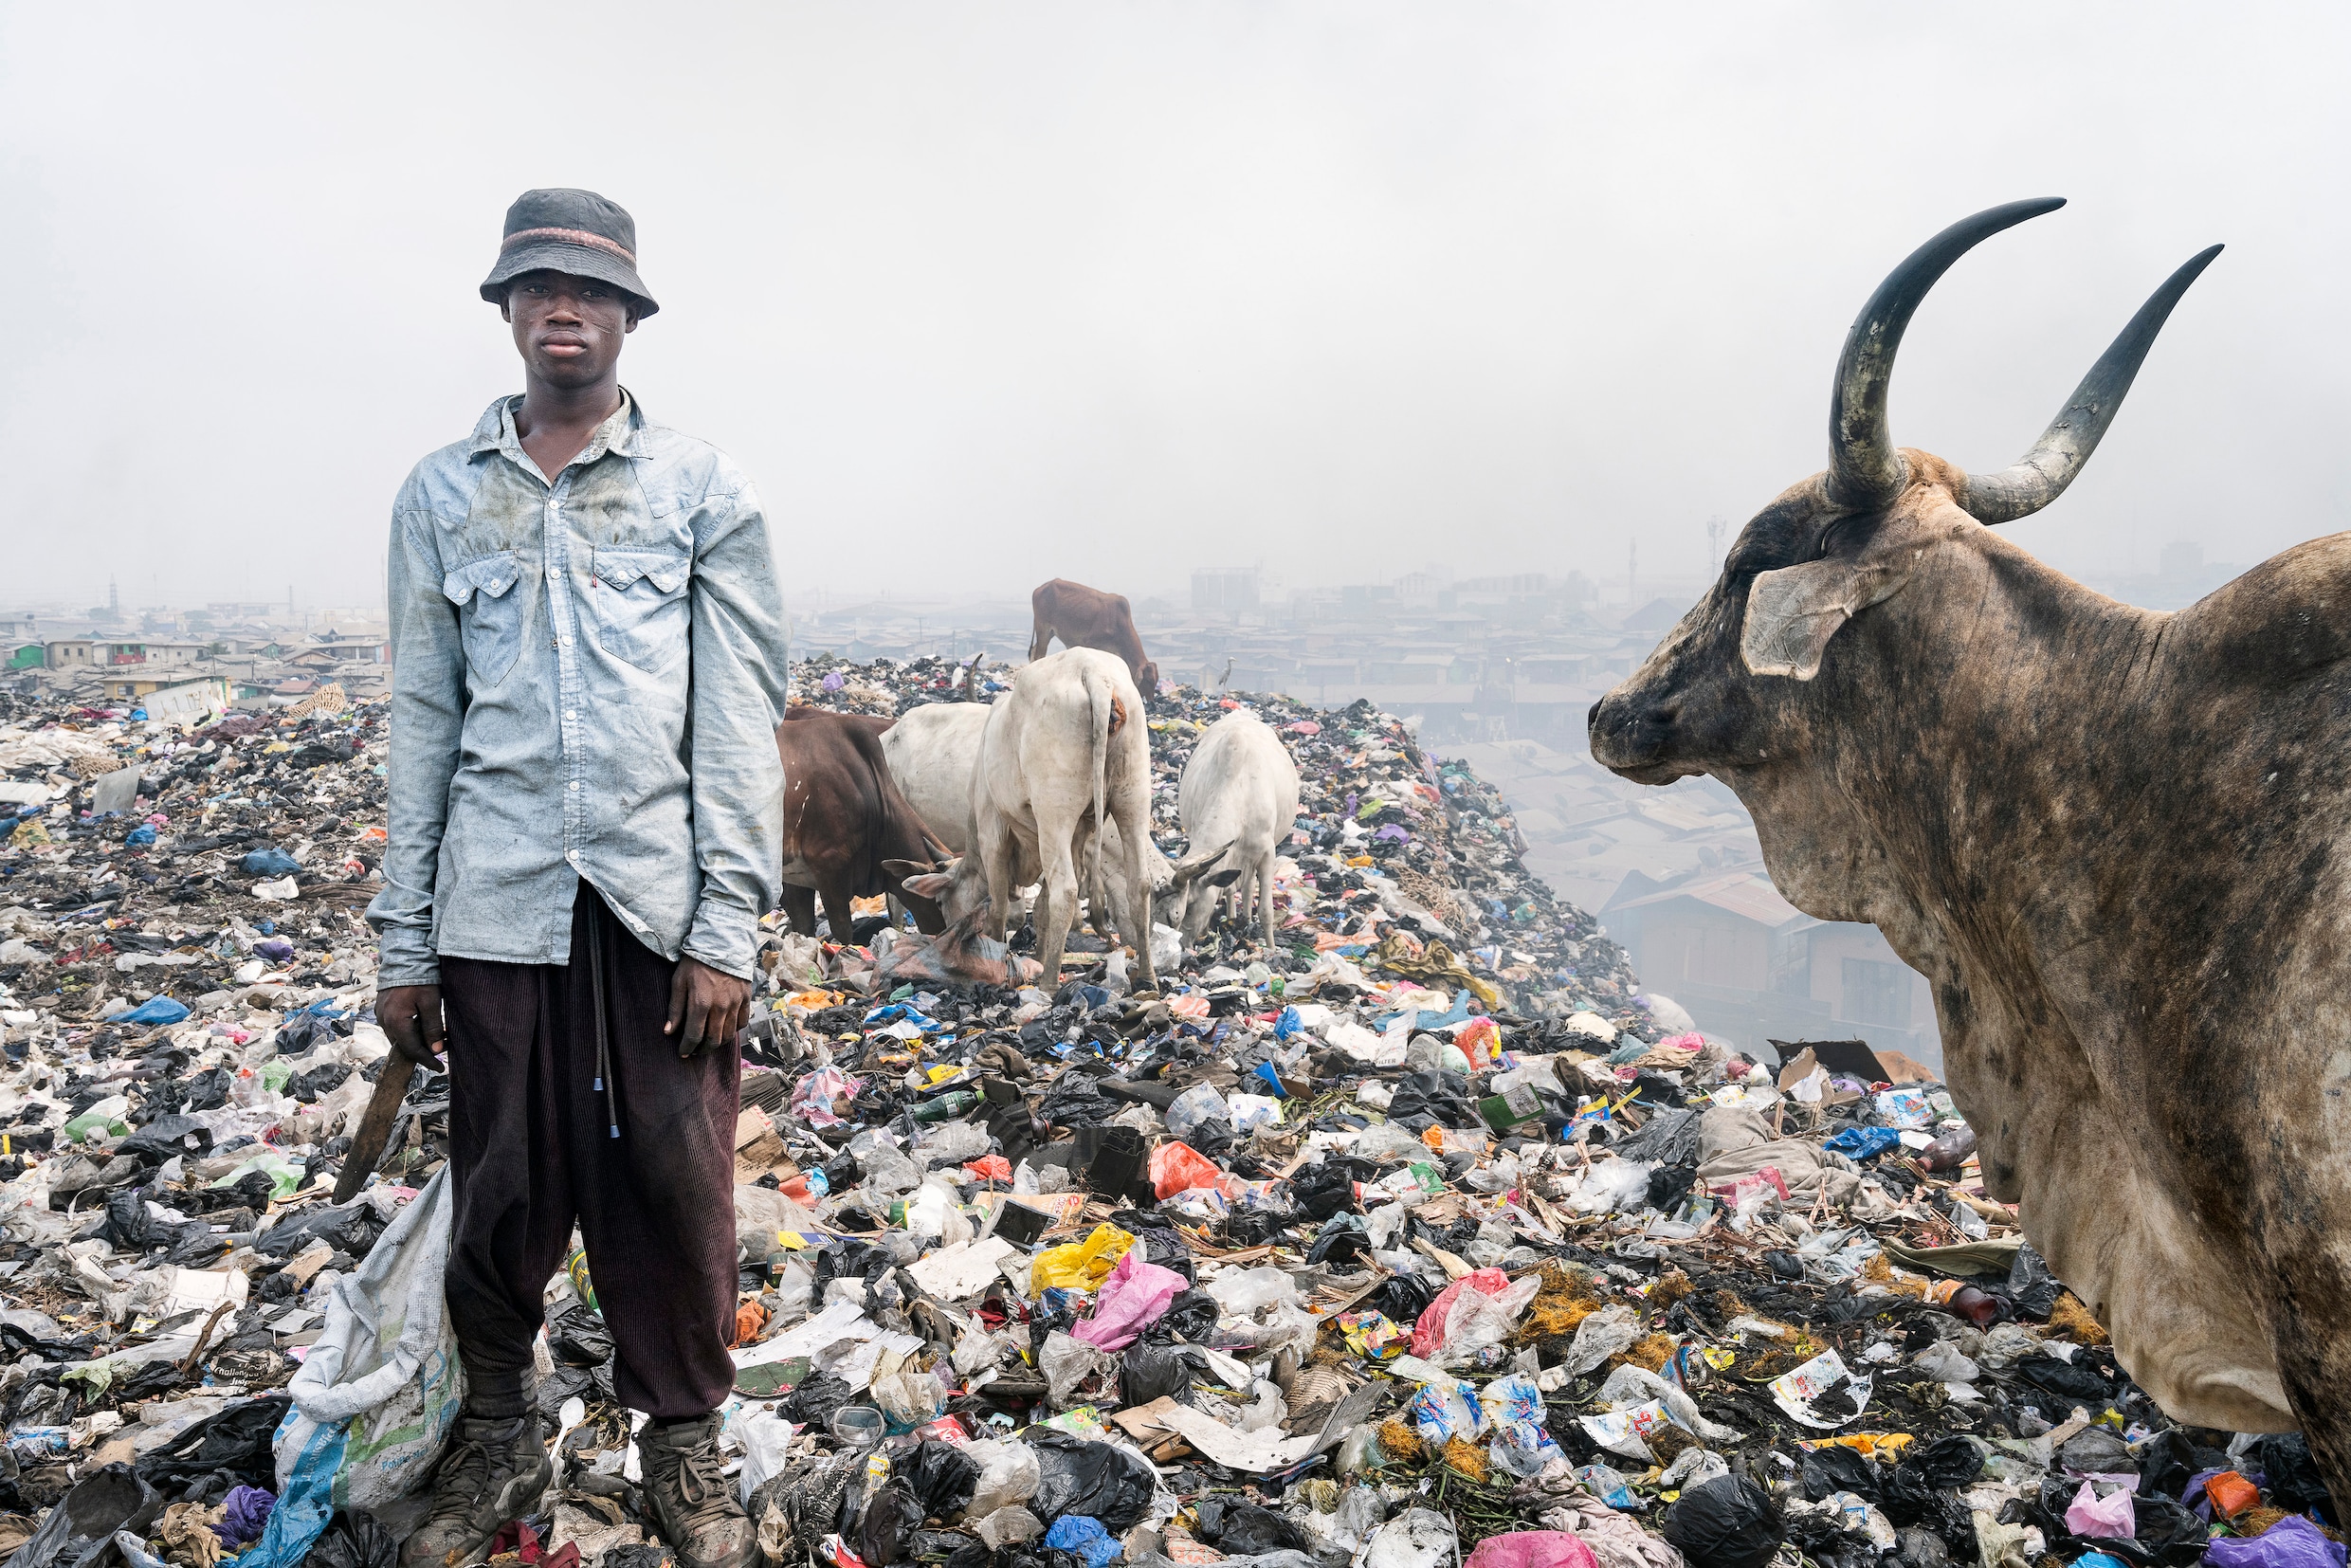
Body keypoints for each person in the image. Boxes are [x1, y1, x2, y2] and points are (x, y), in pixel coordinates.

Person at [366, 189, 789, 1568]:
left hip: (659, 914)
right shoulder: (441, 494)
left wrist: (728, 927)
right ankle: (498, 1434)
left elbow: (736, 720)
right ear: (506, 310)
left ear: (626, 319)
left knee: (678, 1180)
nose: (564, 308)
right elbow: (424, 718)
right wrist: (405, 942)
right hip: (494, 908)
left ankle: (683, 1449)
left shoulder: (700, 490)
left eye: (591, 291)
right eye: (538, 285)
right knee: (499, 1186)